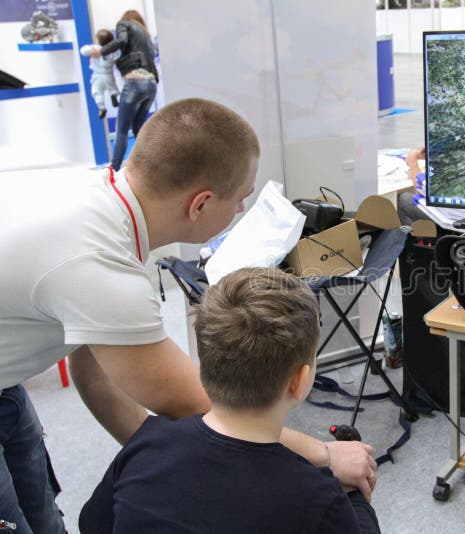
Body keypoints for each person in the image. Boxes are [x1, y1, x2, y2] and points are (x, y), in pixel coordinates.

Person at [0, 98, 375, 533]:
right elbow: (195, 404)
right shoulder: (100, 265)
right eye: (240, 199)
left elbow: (93, 365)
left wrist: (159, 463)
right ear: (199, 204)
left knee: (43, 518)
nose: (240, 211)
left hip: (8, 385)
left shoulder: (106, 205)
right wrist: (325, 455)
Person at [79, 268, 381, 533]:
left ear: (204, 360)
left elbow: (93, 523)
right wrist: (355, 499)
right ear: (298, 381)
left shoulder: (145, 444)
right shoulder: (317, 500)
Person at [92, 10, 157, 171]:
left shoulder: (124, 24)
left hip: (135, 81)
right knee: (138, 129)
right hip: (151, 85)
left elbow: (121, 40)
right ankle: (151, 164)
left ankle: (113, 169)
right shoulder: (146, 36)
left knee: (122, 129)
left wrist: (101, 51)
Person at [79, 29, 119, 119]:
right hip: (109, 74)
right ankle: (114, 95)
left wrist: (91, 50)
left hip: (97, 76)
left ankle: (102, 107)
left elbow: (82, 50)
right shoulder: (113, 51)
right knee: (112, 87)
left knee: (97, 92)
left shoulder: (95, 48)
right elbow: (118, 59)